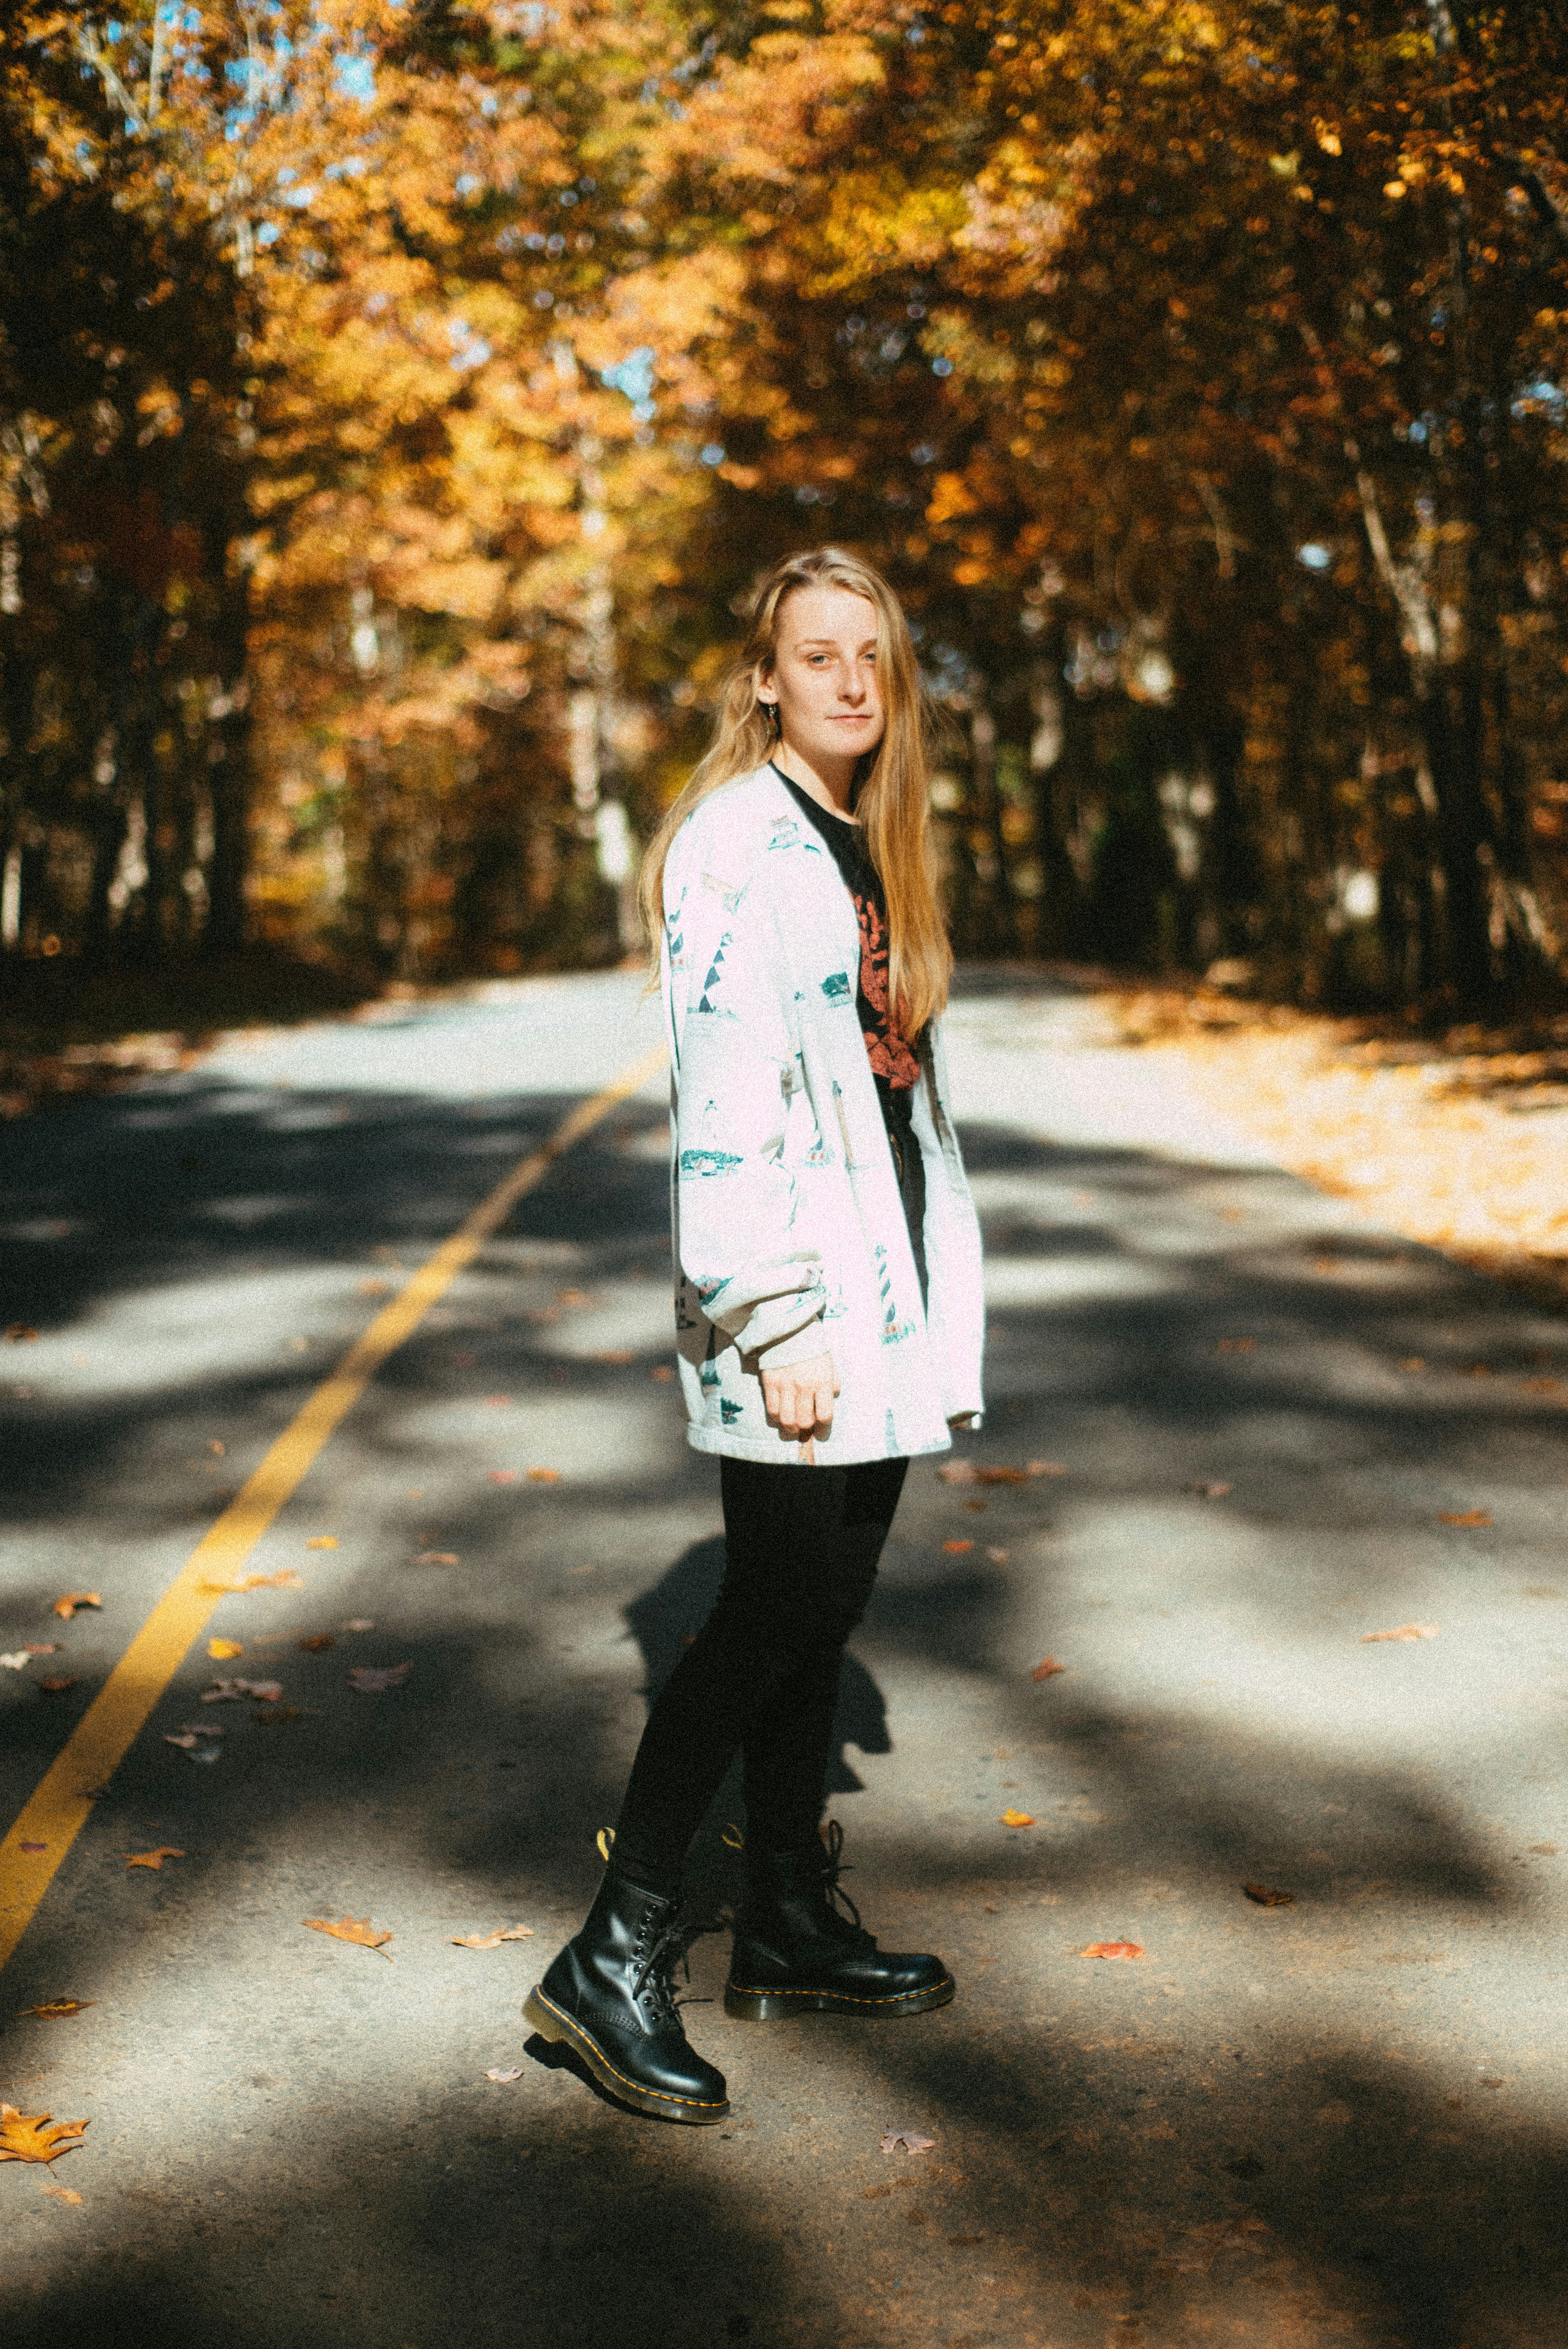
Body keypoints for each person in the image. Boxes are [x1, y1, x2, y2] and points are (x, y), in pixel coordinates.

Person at [524, 547, 985, 2123]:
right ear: (764, 679)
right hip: (787, 1304)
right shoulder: (734, 843)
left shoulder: (861, 839)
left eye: (872, 653)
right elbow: (721, 1102)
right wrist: (774, 1311)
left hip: (878, 1292)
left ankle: (782, 1916)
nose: (852, 678)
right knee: (769, 1609)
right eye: (818, 653)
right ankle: (612, 1954)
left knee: (822, 1604)